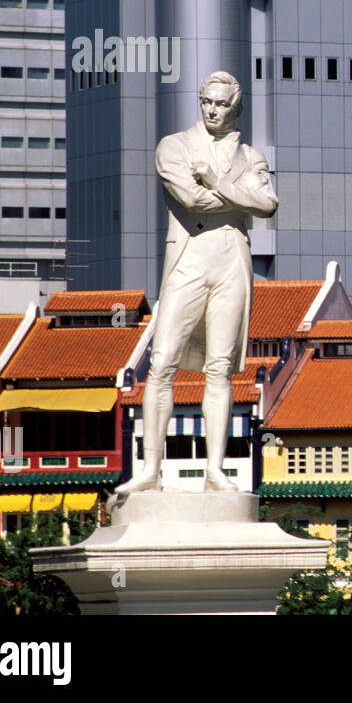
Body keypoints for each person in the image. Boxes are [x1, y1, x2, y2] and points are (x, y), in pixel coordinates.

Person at [116, 71, 278, 494]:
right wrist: (234, 197)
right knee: (163, 361)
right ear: (199, 99)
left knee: (220, 369)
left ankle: (215, 471)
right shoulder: (174, 146)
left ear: (235, 107)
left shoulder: (251, 156)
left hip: (231, 263)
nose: (213, 110)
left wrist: (218, 182)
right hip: (188, 258)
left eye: (222, 104)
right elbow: (189, 199)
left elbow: (267, 204)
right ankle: (150, 470)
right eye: (208, 101)